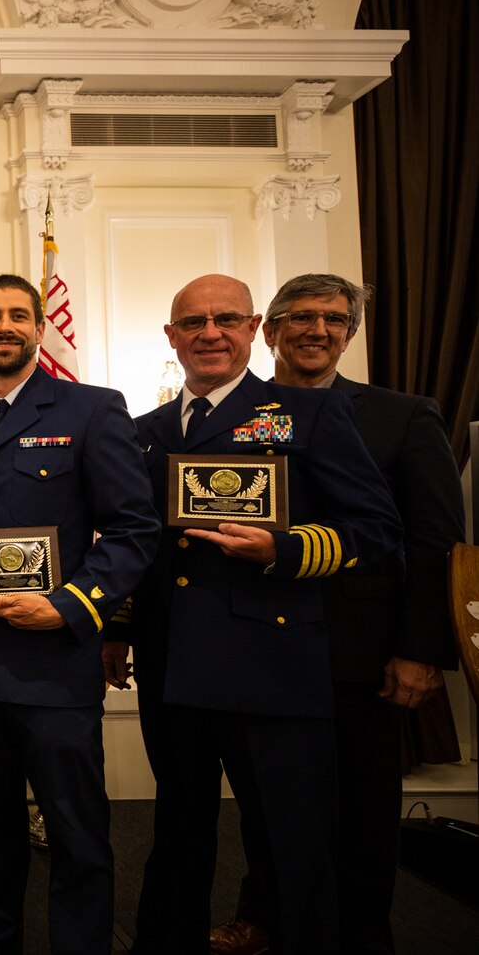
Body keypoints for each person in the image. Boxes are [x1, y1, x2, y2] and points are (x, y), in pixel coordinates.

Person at [106, 274, 402, 955]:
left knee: (294, 844)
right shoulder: (143, 432)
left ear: (252, 329)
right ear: (172, 337)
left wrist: (286, 548)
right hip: (172, 661)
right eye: (194, 322)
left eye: (226, 318)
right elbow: (135, 541)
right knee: (179, 836)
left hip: (272, 666)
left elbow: (374, 526)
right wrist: (118, 631)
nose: (209, 332)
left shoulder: (307, 413)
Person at [205, 273, 466, 955]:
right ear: (270, 330)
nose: (315, 330)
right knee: (267, 805)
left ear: (350, 332)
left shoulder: (402, 414)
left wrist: (420, 648)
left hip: (357, 655)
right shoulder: (231, 412)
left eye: (332, 318)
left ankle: (359, 938)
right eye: (298, 316)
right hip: (258, 645)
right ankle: (263, 914)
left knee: (360, 814)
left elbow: (435, 541)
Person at [0, 275, 160, 954]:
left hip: (54, 664)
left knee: (76, 832)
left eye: (19, 315)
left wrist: (72, 605)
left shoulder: (91, 409)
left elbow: (135, 529)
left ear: (40, 328)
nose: (4, 326)